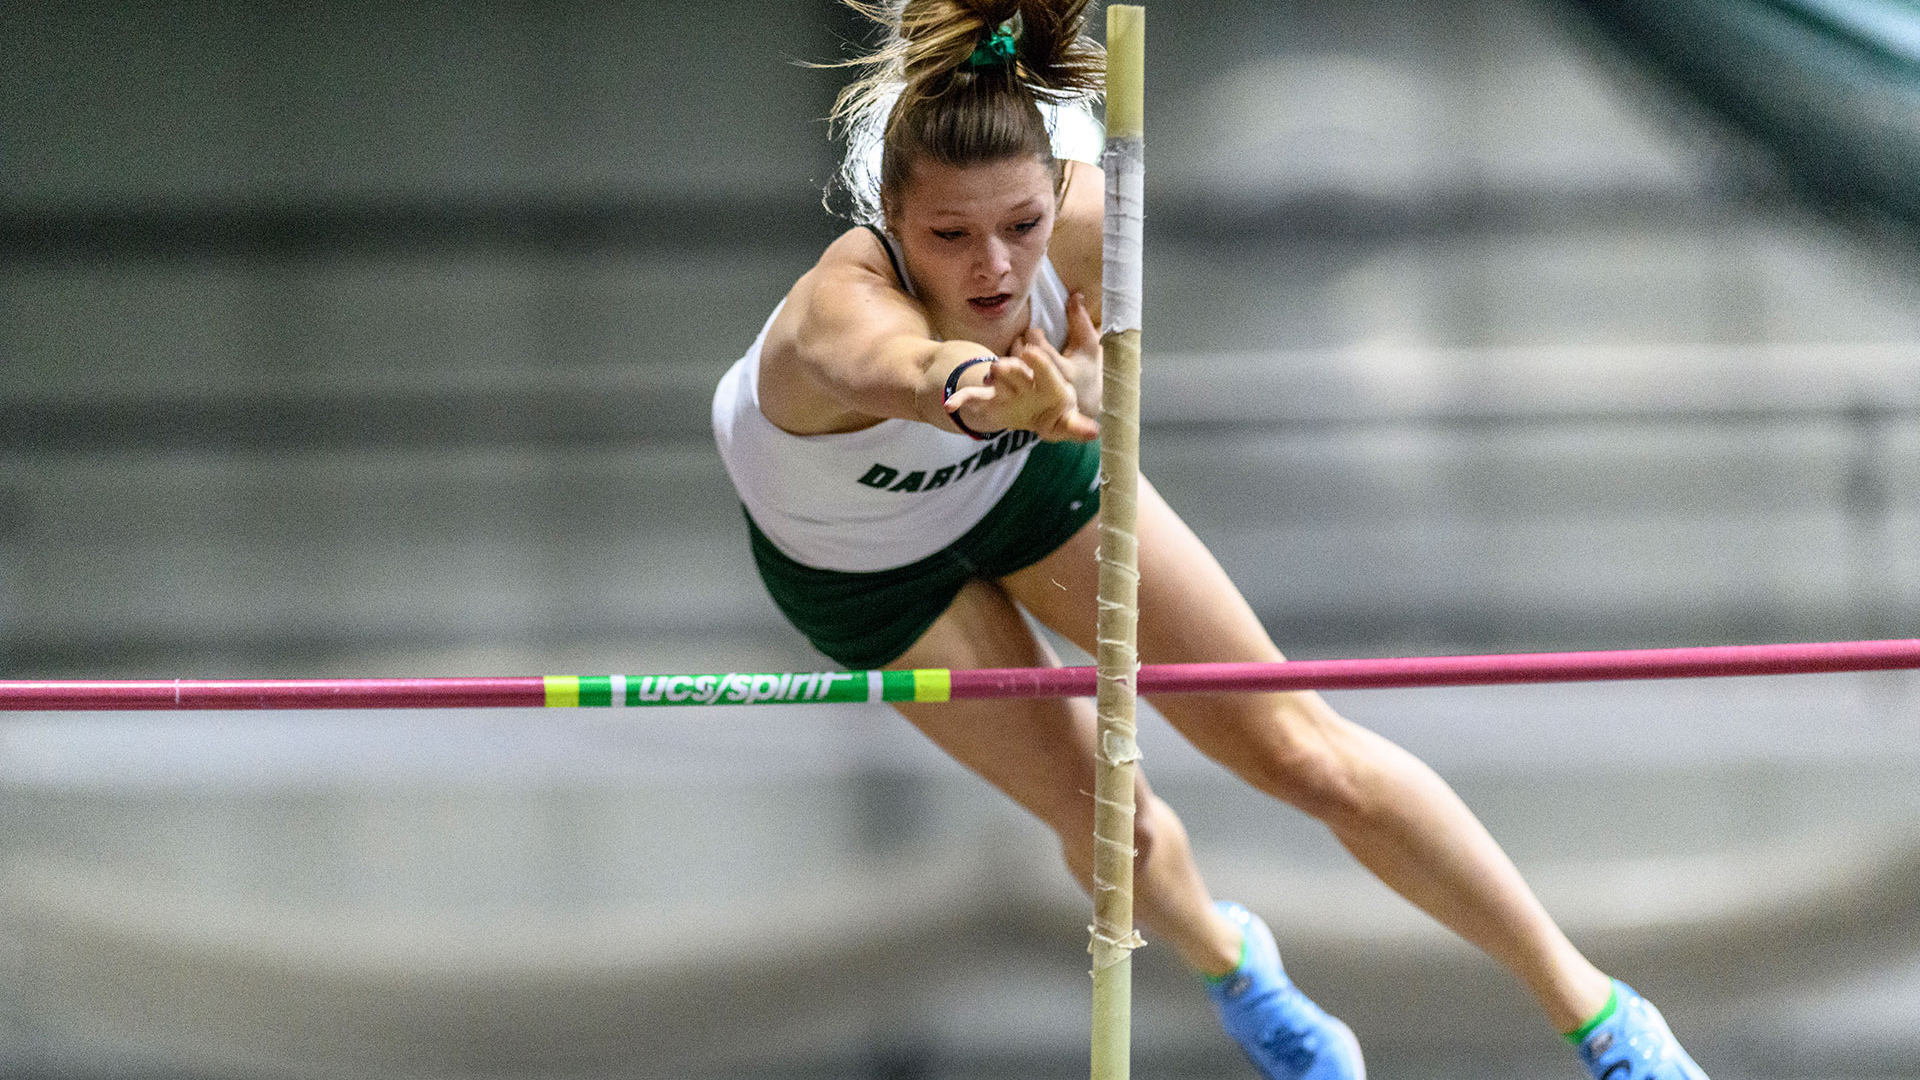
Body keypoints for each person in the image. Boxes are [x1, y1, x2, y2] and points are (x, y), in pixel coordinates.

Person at [711, 2, 1711, 1077]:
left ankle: (1605, 1021)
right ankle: (1237, 969)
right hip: (863, 567)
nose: (995, 269)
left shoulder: (1090, 221)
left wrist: (1084, 389)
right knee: (1115, 827)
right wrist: (1004, 393)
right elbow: (921, 377)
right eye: (950, 236)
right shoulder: (837, 314)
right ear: (893, 224)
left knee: (1305, 752)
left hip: (1028, 476)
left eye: (1020, 226)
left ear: (1055, 197)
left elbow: (1104, 373)